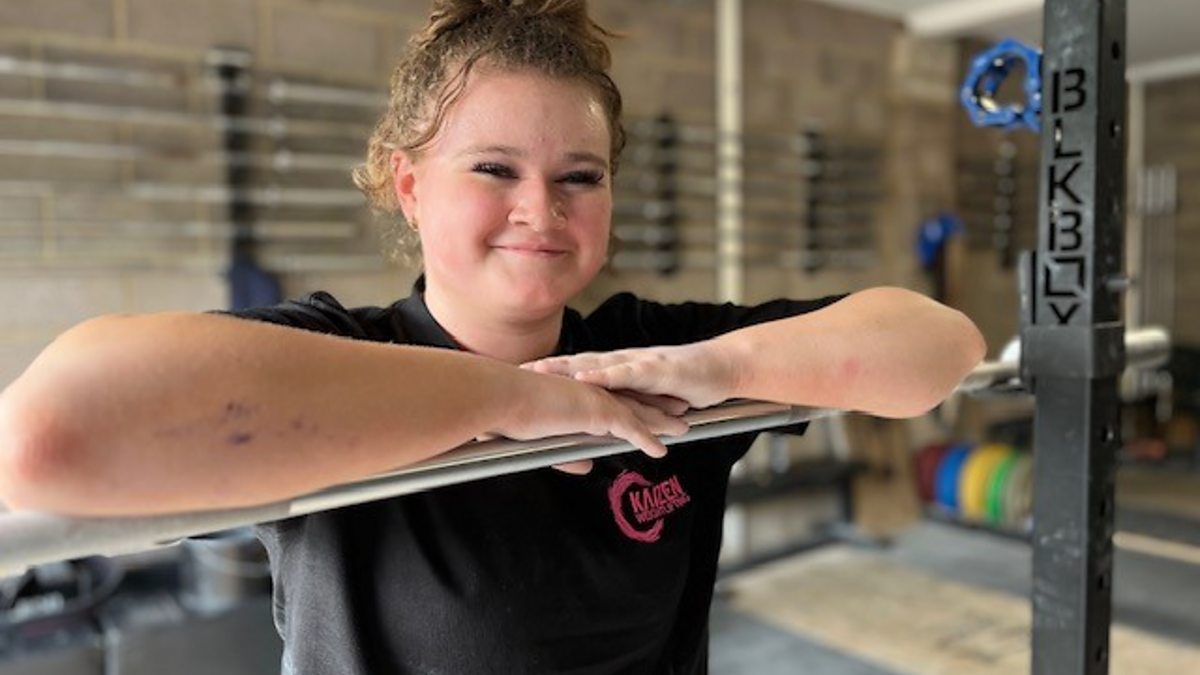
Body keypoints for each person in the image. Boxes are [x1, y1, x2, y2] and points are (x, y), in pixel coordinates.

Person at [0, 1, 986, 672]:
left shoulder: (657, 356)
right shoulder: (336, 362)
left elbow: (937, 345)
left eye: (580, 177)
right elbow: (48, 433)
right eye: (493, 169)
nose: (540, 211)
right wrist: (515, 399)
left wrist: (719, 365)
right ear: (410, 186)